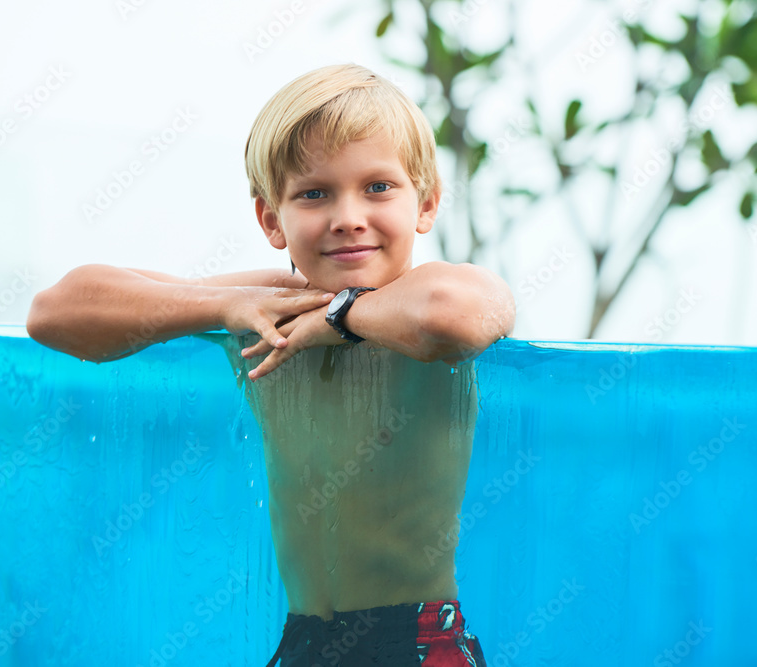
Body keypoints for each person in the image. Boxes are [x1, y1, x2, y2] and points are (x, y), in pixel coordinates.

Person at [27, 63, 515, 666]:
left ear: (428, 203)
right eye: (314, 193)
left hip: (418, 637)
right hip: (305, 638)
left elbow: (456, 318)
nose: (348, 216)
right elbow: (56, 310)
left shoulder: (431, 289)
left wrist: (338, 317)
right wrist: (225, 303)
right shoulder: (268, 306)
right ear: (269, 220)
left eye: (378, 188)